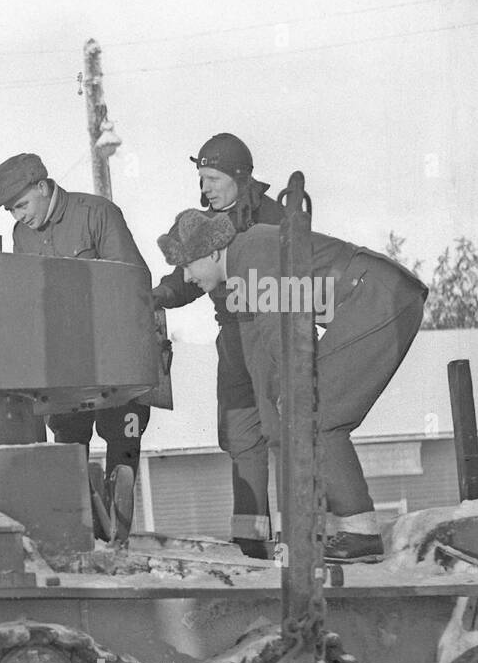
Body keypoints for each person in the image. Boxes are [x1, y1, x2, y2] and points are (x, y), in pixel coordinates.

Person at [157, 208, 427, 562]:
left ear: (212, 252)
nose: (187, 277)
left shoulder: (252, 260)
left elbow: (283, 333)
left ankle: (360, 535)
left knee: (316, 413)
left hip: (378, 297)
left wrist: (292, 394)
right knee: (310, 414)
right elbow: (267, 350)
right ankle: (350, 531)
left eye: (188, 265)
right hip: (378, 297)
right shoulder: (242, 265)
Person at [0, 152, 152, 541]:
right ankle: (83, 530)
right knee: (68, 443)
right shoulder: (21, 234)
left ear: (44, 188)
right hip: (63, 362)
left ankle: (118, 531)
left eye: (23, 204)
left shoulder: (97, 213)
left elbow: (130, 282)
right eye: (12, 210)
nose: (19, 216)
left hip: (112, 350)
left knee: (122, 438)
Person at [151, 133, 282, 560]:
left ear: (239, 175)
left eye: (212, 178)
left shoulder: (275, 215)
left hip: (272, 330)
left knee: (286, 429)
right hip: (232, 337)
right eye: (201, 179)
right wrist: (159, 295)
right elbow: (185, 277)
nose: (205, 187)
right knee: (241, 435)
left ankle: (309, 532)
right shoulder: (203, 224)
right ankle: (251, 540)